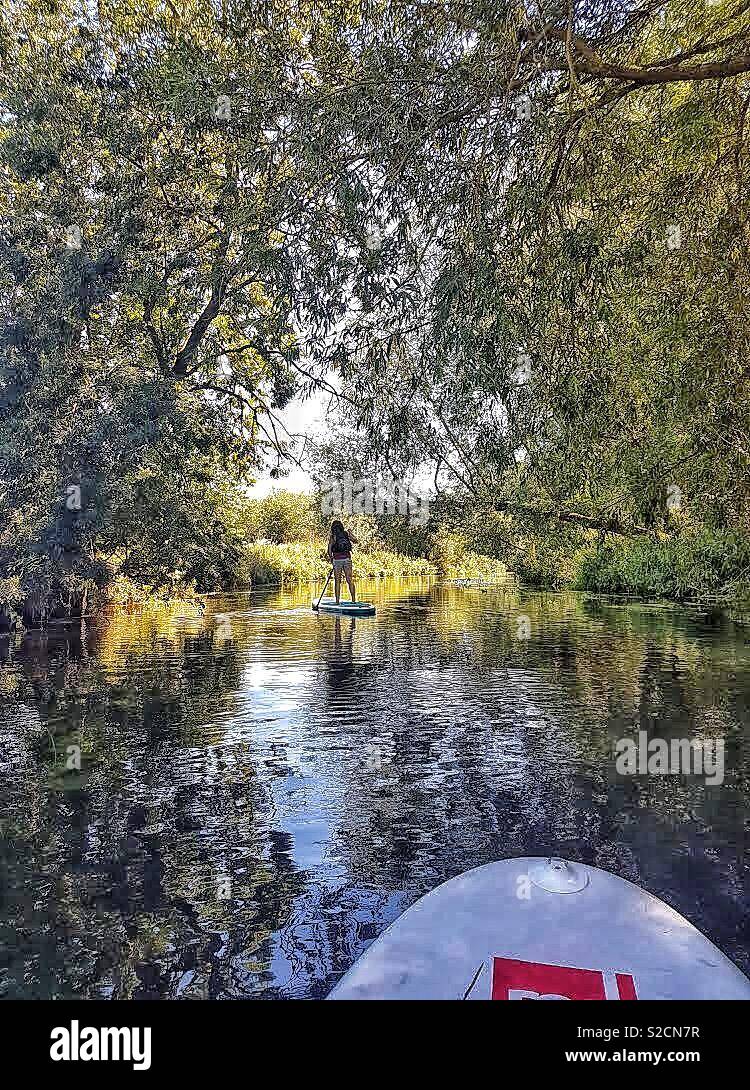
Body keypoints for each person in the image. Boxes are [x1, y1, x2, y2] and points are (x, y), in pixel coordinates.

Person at [327, 520, 358, 604]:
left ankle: (337, 602)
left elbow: (329, 550)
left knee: (337, 581)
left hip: (337, 560)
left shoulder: (333, 536)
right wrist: (350, 532)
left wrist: (331, 559)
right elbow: (356, 540)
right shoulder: (346, 534)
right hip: (347, 559)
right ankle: (353, 600)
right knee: (349, 580)